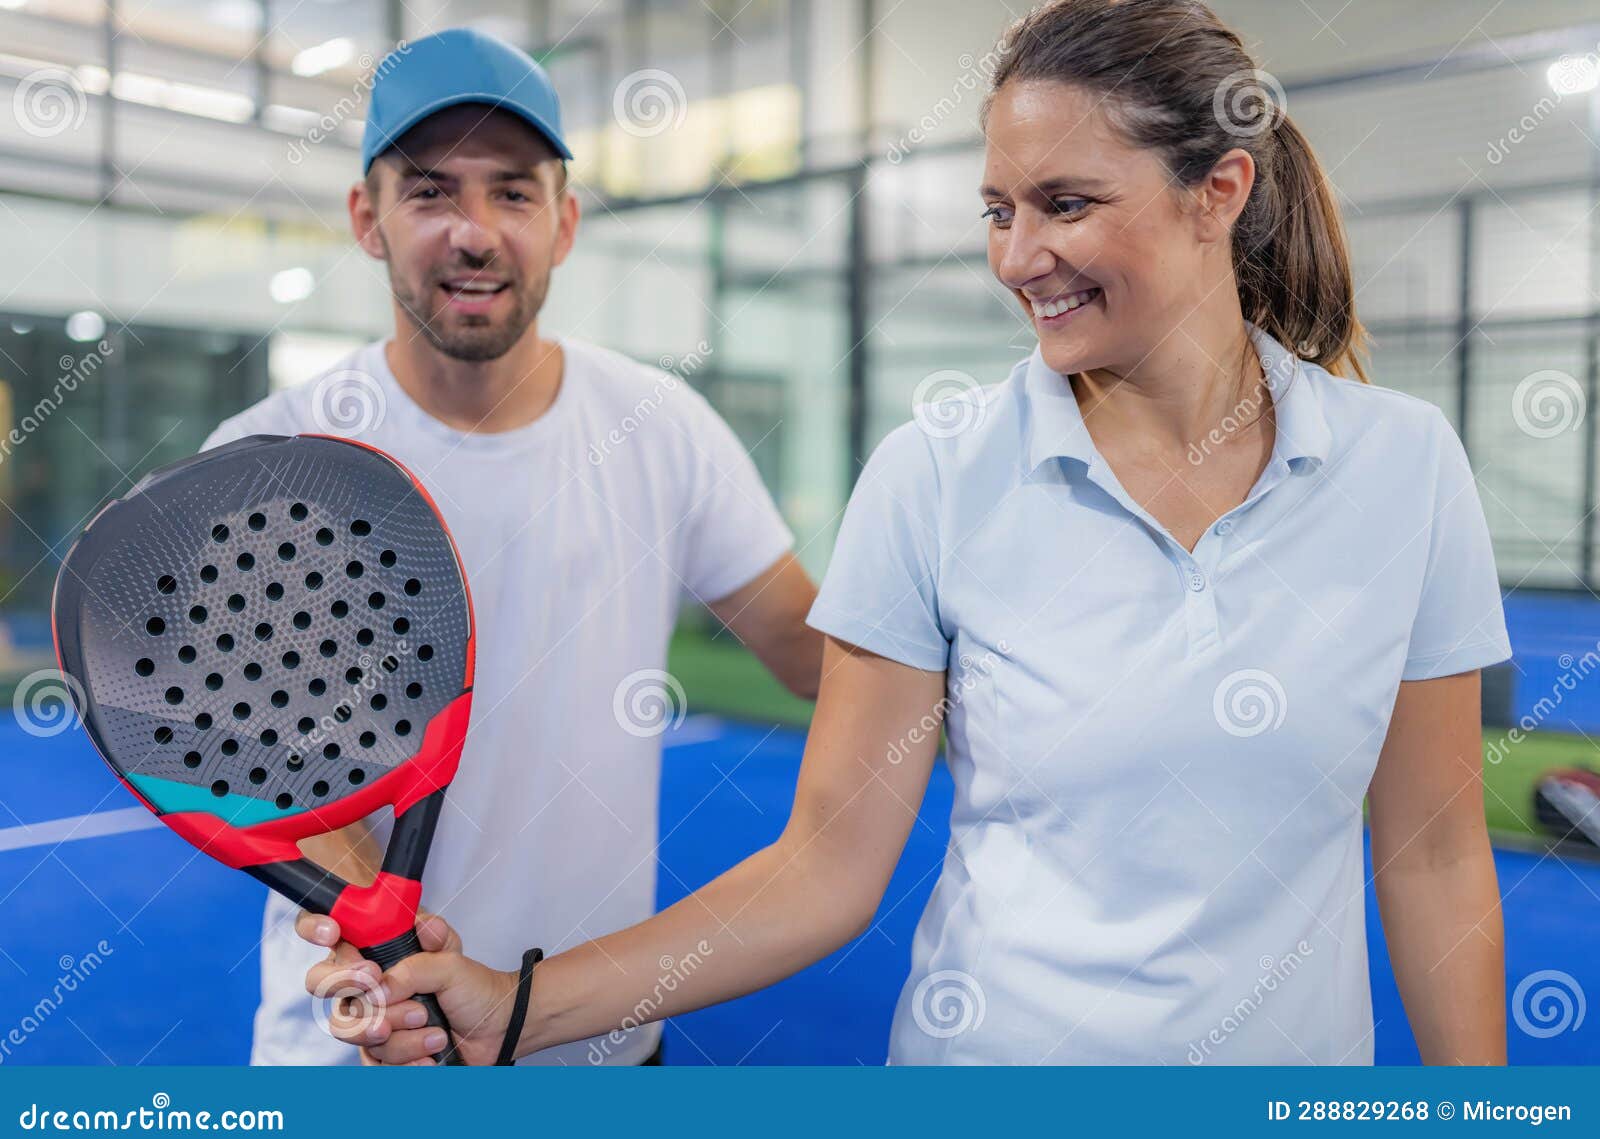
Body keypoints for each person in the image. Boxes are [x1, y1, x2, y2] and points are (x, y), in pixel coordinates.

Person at [300, 0, 1511, 1066]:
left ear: (1220, 192)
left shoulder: (1404, 469)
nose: (1016, 256)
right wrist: (519, 1008)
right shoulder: (932, 477)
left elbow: (1436, 855)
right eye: (997, 209)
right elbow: (820, 869)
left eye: (1065, 204)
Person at [202, 27, 823, 1067]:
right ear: (369, 218)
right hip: (356, 1055)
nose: (474, 232)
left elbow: (818, 658)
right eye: (433, 191)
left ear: (565, 222)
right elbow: (272, 761)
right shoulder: (268, 460)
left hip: (595, 1050)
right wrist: (386, 950)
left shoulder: (661, 426)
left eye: (514, 193)